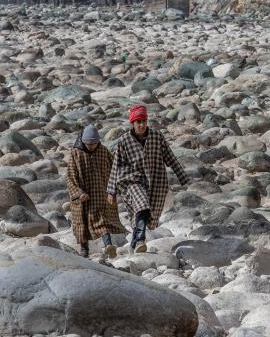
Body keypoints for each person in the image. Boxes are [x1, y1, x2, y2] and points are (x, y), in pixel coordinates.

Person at [107, 104, 188, 253]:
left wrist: (182, 177)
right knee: (142, 205)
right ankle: (140, 240)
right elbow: (115, 166)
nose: (142, 125)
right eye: (139, 122)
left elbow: (170, 157)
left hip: (155, 181)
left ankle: (133, 246)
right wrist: (111, 190)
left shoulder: (156, 137)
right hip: (131, 180)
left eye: (144, 121)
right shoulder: (124, 141)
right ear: (133, 123)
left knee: (145, 214)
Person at [66, 124, 124, 258]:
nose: (92, 146)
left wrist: (115, 189)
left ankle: (108, 245)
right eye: (89, 144)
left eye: (94, 143)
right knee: (81, 224)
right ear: (83, 141)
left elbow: (114, 169)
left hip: (99, 194)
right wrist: (79, 193)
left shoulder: (103, 151)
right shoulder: (76, 154)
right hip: (82, 197)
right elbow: (70, 177)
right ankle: (84, 250)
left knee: (101, 220)